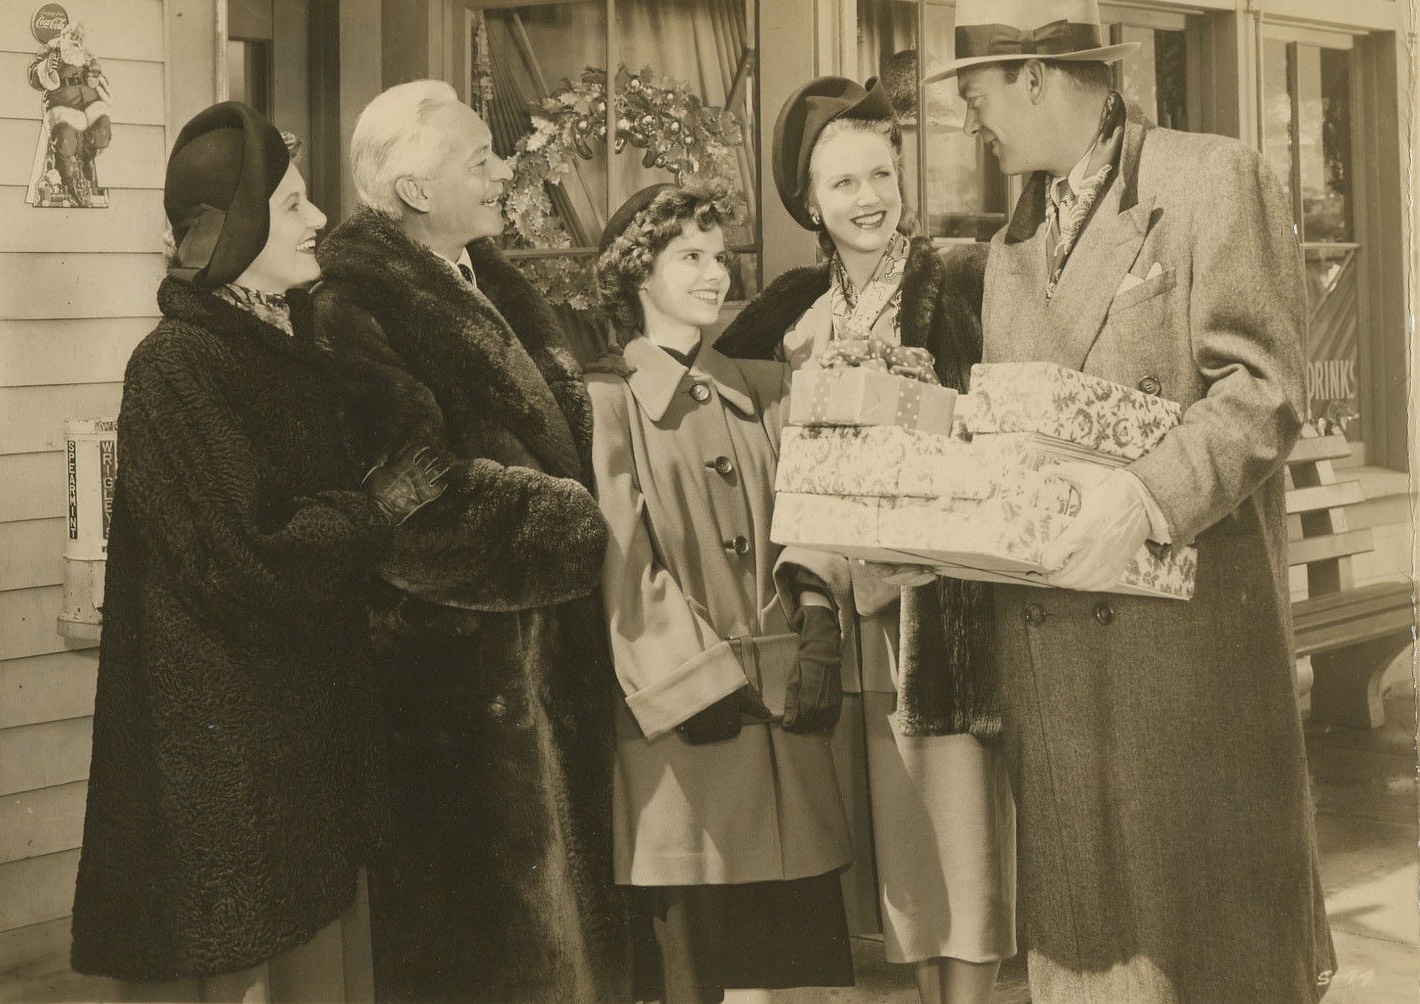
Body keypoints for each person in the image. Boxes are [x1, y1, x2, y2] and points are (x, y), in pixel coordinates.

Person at [922, 1, 1337, 1000]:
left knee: (1209, 955)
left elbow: (1265, 390)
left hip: (1185, 666)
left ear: (1036, 76)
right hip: (1054, 663)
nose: (973, 121)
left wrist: (1146, 496)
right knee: (1089, 960)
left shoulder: (1208, 177)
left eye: (977, 95)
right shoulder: (1013, 235)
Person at [69, 102, 443, 996]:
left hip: (298, 738)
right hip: (228, 760)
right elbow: (244, 557)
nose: (319, 220)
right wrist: (373, 509)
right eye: (296, 203)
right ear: (238, 230)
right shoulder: (176, 366)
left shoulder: (284, 341)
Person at [309, 79, 627, 1004]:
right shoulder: (352, 309)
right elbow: (414, 507)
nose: (503, 173)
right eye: (478, 159)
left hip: (540, 669)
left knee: (568, 941)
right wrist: (587, 525)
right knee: (492, 955)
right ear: (412, 190)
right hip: (458, 697)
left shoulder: (485, 279)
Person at [717, 78, 1015, 1004]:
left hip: (939, 599)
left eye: (880, 174)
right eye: (842, 183)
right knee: (894, 848)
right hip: (833, 615)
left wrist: (911, 407)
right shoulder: (793, 316)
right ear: (808, 201)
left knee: (958, 831)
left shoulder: (959, 282)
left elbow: (1005, 421)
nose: (868, 198)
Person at [587, 183, 856, 1004]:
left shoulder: (766, 388)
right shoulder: (607, 401)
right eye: (689, 258)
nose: (714, 273)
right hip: (683, 739)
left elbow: (810, 508)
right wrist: (692, 682)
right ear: (639, 273)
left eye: (720, 255)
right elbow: (622, 561)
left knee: (793, 982)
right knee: (694, 981)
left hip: (782, 730)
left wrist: (816, 615)